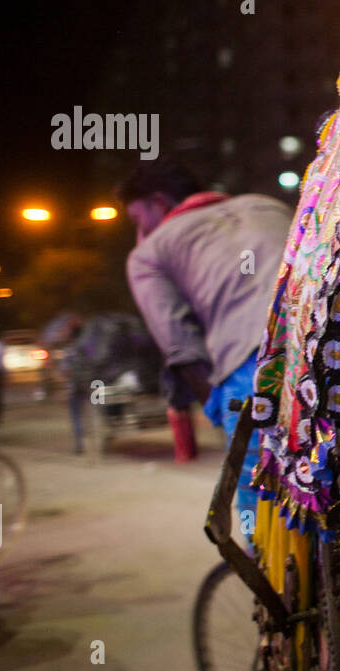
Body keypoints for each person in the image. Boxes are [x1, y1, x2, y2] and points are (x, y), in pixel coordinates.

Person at [116, 161, 292, 530]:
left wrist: (217, 409)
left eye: (138, 219)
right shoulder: (267, 204)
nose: (139, 230)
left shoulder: (148, 255)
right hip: (334, 343)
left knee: (265, 522)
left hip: (251, 369)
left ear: (158, 202)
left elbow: (180, 347)